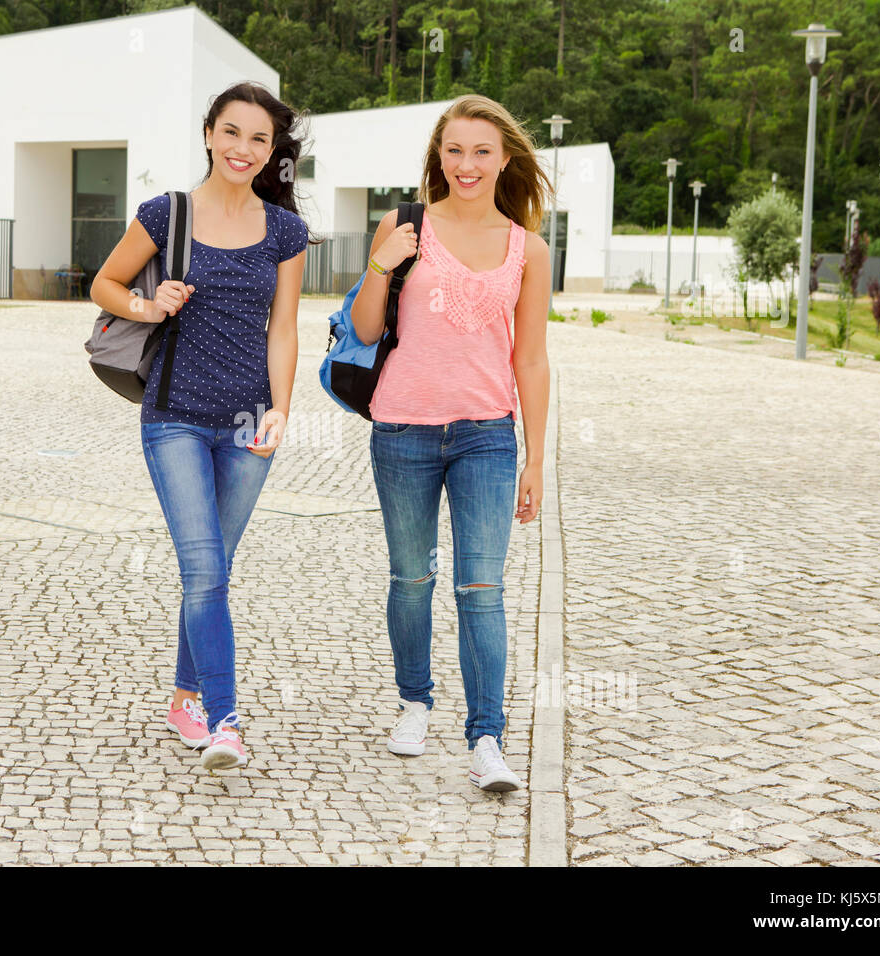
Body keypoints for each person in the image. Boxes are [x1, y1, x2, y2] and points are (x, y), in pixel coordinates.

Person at [90, 82, 311, 771]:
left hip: (249, 423)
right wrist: (148, 304)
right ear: (210, 134)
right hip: (175, 418)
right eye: (232, 132)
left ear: (272, 152)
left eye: (259, 139)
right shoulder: (167, 214)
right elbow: (104, 285)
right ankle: (225, 721)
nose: (243, 149)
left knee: (211, 571)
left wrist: (280, 407)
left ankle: (186, 695)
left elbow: (283, 328)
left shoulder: (284, 231)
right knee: (205, 569)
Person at [352, 94, 552, 791]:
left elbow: (530, 358)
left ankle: (487, 740)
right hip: (402, 428)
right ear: (439, 156)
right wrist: (382, 264)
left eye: (482, 152)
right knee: (411, 579)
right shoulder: (405, 224)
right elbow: (368, 330)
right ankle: (414, 703)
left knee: (482, 587)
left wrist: (535, 458)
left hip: (487, 438)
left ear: (504, 160)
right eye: (454, 150)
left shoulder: (529, 250)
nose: (467, 165)